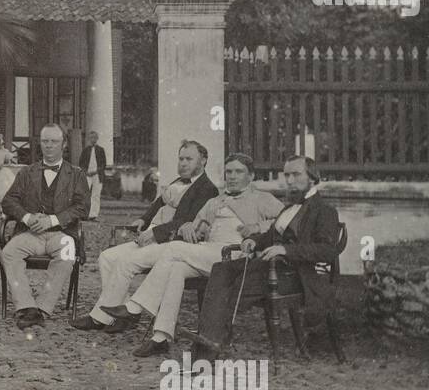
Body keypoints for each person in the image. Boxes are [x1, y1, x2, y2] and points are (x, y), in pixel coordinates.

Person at [123, 152, 284, 357]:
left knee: (174, 249)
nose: (232, 176)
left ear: (251, 176)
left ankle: (135, 307)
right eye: (229, 172)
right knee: (175, 268)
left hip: (236, 258)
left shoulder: (262, 199)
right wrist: (188, 227)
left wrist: (258, 227)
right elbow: (196, 226)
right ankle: (161, 337)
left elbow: (285, 221)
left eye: (239, 172)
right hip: (209, 252)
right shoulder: (215, 201)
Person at [190, 155, 342, 362]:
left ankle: (207, 350)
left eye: (296, 174)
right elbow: (270, 236)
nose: (289, 180)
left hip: (298, 277)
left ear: (313, 178)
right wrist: (254, 241)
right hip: (274, 270)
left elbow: (327, 250)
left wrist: (286, 250)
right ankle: (208, 340)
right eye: (287, 175)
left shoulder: (324, 211)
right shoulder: (288, 209)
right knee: (221, 270)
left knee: (230, 289)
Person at [70, 139, 219, 334]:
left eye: (188, 159)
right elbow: (157, 204)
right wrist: (143, 219)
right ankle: (121, 315)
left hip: (172, 244)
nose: (183, 163)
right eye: (181, 158)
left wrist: (154, 233)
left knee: (126, 262)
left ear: (203, 161)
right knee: (107, 257)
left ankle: (99, 318)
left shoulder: (207, 189)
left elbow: (187, 221)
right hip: (153, 237)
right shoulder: (176, 182)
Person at [0, 124, 91, 329]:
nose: (49, 146)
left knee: (67, 253)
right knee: (9, 253)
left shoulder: (76, 174)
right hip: (30, 232)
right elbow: (9, 201)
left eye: (54, 141)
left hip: (61, 233)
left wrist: (52, 220)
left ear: (64, 144)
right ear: (40, 143)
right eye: (45, 141)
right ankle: (26, 306)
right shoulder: (27, 172)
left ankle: (42, 307)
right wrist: (27, 217)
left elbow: (83, 208)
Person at [77, 130, 108, 221]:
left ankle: (93, 215)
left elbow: (103, 164)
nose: (93, 139)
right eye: (91, 138)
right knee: (84, 194)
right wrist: (85, 172)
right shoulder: (86, 150)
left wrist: (96, 171)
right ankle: (84, 214)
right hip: (87, 175)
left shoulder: (101, 150)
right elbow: (81, 163)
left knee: (96, 195)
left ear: (97, 139)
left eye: (94, 137)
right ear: (89, 139)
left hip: (97, 175)